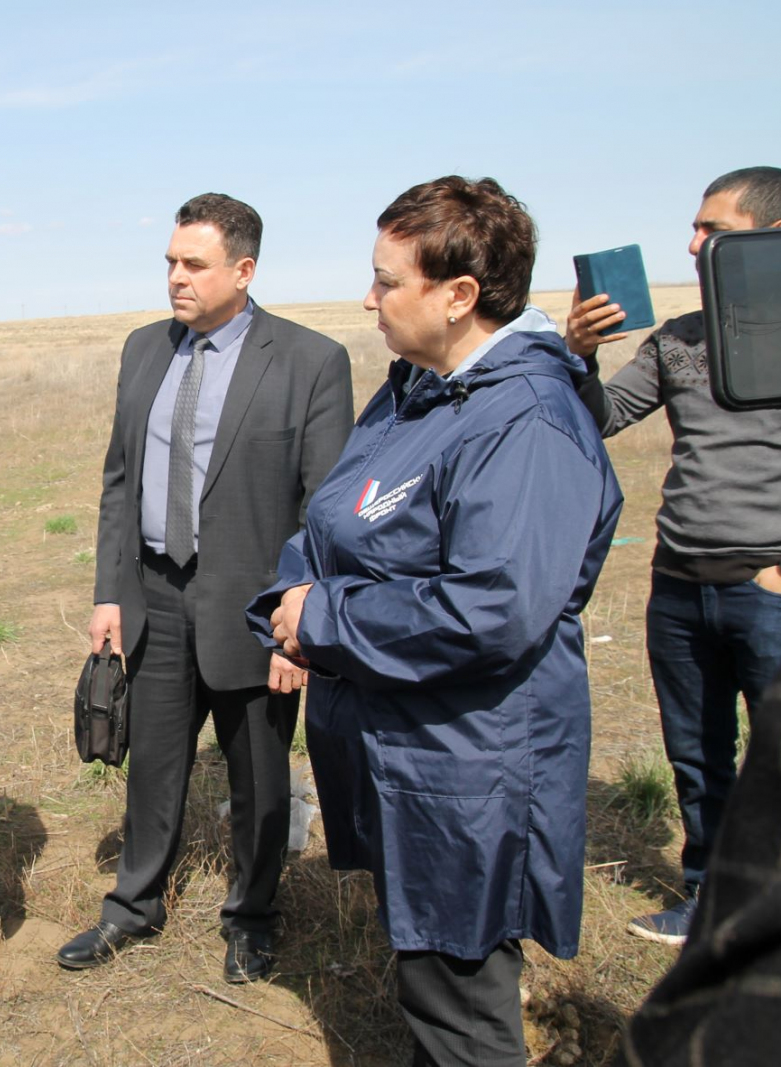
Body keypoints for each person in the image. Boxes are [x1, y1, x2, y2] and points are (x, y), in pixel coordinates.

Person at [251, 176, 623, 1066]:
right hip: (404, 747)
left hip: (468, 763)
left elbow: (492, 608)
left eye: (386, 282)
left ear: (459, 297)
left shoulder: (524, 418)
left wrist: (325, 619)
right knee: (434, 984)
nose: (367, 299)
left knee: (462, 1005)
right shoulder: (417, 390)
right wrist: (292, 599)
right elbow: (337, 519)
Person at [58, 193, 353, 983]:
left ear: (244, 270)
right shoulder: (143, 350)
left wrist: (301, 628)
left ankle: (253, 917)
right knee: (153, 761)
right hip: (153, 593)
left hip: (256, 612)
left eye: (193, 264)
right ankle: (133, 905)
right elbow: (120, 481)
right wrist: (109, 593)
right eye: (169, 263)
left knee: (258, 772)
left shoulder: (310, 361)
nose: (176, 278)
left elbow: (323, 510)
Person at [565, 166, 781, 945]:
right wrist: (578, 356)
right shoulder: (679, 336)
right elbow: (604, 419)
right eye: (694, 226)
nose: (692, 244)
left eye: (711, 229)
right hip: (680, 583)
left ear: (777, 237)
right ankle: (708, 895)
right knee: (697, 752)